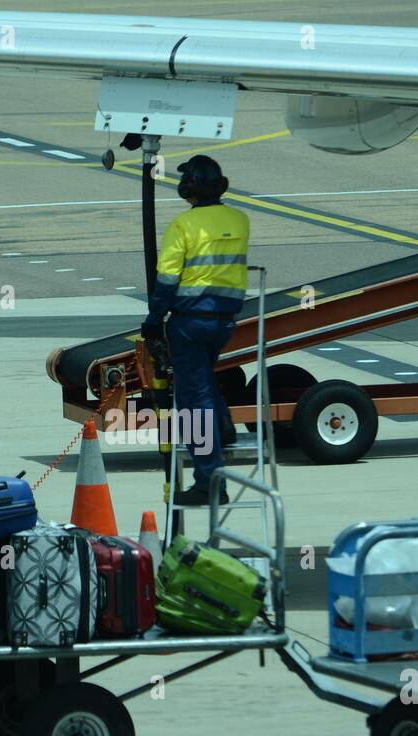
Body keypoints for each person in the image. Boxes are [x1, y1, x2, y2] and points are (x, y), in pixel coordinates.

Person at [142, 154, 250, 506]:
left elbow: (168, 278)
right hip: (225, 322)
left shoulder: (183, 226)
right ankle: (223, 428)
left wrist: (155, 319)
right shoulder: (240, 220)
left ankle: (208, 482)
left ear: (188, 187)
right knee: (204, 382)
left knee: (193, 404)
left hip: (190, 324)